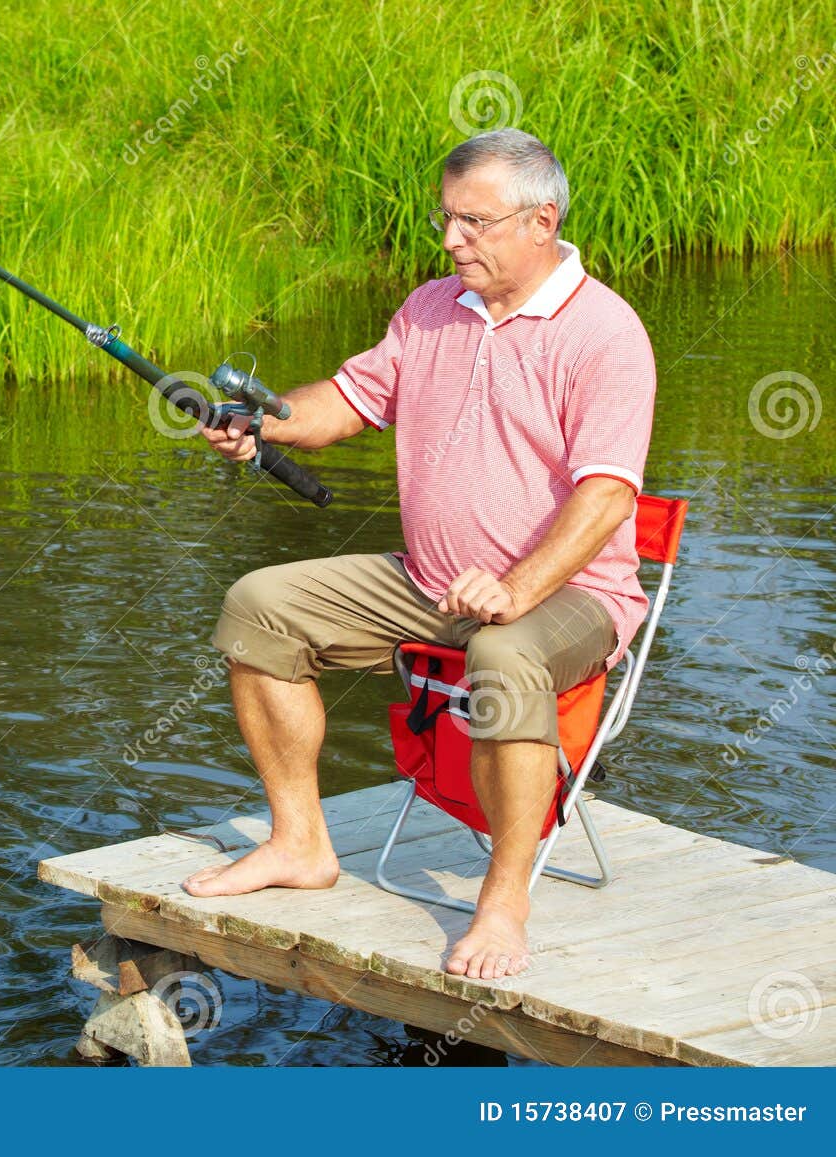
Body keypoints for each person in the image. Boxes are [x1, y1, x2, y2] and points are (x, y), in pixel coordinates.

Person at [187, 128, 655, 982]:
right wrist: (262, 422)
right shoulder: (432, 307)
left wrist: (516, 589)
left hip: (569, 594)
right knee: (260, 605)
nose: (451, 240)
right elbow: (344, 402)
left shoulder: (605, 333)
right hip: (430, 582)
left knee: (503, 653)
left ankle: (504, 899)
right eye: (447, 219)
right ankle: (299, 843)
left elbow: (607, 498)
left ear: (542, 220)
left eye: (473, 223)